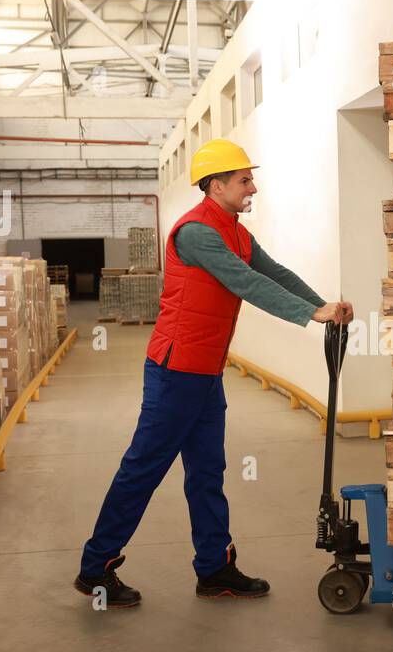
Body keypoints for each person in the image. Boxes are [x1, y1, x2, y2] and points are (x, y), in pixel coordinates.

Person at [74, 139, 354, 607]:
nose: (253, 187)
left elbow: (275, 273)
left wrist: (322, 304)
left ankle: (214, 568)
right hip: (174, 372)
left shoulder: (236, 231)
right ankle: (95, 568)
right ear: (217, 184)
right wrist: (311, 316)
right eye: (245, 180)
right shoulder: (197, 233)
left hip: (204, 374)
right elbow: (245, 282)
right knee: (143, 468)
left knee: (207, 472)